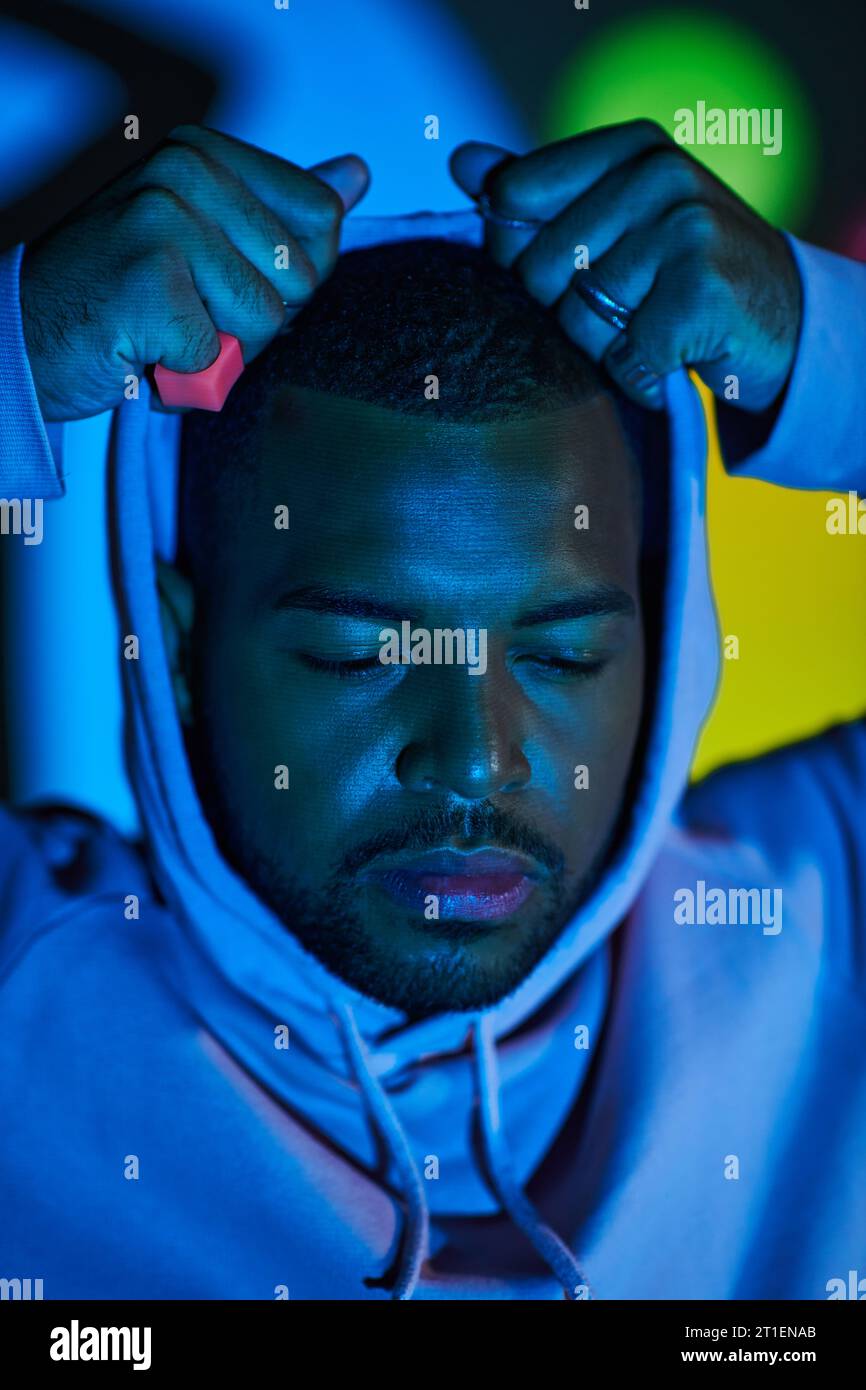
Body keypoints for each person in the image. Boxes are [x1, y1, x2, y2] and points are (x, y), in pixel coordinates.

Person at [0, 122, 864, 1300]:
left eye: (560, 657)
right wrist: (10, 355)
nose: (472, 760)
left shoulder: (828, 915)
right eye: (362, 656)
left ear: (658, 639)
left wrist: (830, 350)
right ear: (185, 646)